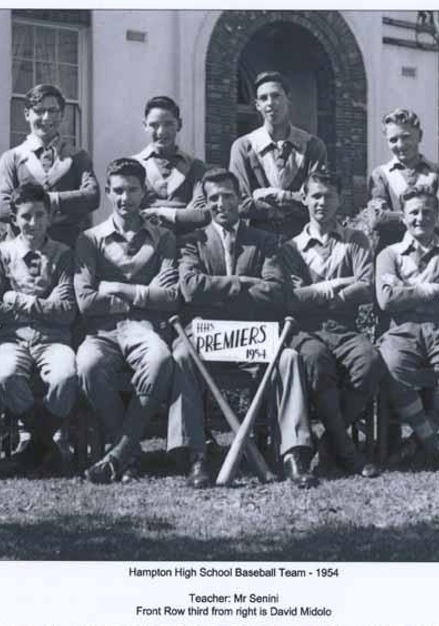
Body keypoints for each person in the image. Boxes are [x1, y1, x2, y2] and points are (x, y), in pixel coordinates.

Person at [168, 168, 317, 489]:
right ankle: (196, 455)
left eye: (228, 196)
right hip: (207, 336)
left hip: (254, 336)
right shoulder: (191, 242)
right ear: (206, 204)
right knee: (181, 355)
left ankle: (293, 453)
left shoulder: (266, 242)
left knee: (289, 358)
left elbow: (276, 291)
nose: (221, 204)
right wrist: (244, 284)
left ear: (240, 199)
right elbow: (191, 288)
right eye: (214, 198)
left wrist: (219, 292)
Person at [75, 158, 178, 484]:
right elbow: (86, 302)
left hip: (144, 329)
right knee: (88, 366)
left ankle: (117, 453)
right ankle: (128, 451)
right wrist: (144, 296)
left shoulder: (163, 238)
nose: (125, 198)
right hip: (101, 332)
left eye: (132, 189)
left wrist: (118, 288)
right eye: (118, 190)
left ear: (144, 191)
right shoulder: (89, 239)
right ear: (107, 193)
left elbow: (171, 296)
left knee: (160, 359)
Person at [281, 168, 384, 478]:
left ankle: (327, 443)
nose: (321, 203)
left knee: (370, 362)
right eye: (315, 196)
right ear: (304, 199)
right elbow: (294, 298)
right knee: (315, 359)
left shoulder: (356, 240)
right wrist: (340, 284)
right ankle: (349, 453)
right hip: (306, 330)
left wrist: (325, 294)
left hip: (345, 327)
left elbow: (367, 287)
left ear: (339, 200)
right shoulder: (291, 247)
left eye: (328, 196)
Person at [376, 185, 439, 475]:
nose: (420, 218)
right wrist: (432, 291)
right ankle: (436, 447)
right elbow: (387, 300)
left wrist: (408, 294)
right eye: (414, 212)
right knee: (390, 367)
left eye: (427, 212)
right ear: (404, 218)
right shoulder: (389, 254)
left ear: (436, 216)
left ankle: (418, 438)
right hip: (401, 331)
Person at [0, 182, 78, 474]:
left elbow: (65, 311)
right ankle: (46, 442)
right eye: (25, 216)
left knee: (66, 376)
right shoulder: (1, 254)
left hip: (54, 339)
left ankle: (34, 445)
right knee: (6, 375)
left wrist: (17, 300)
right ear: (14, 218)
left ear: (49, 217)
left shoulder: (63, 254)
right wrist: (41, 307)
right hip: (12, 339)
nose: (33, 223)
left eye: (40, 215)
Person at [0, 83, 101, 248]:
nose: (46, 118)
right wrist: (65, 212)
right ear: (27, 114)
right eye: (39, 111)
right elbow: (1, 209)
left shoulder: (78, 157)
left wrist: (50, 201)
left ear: (62, 114)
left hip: (68, 252)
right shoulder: (12, 158)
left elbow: (92, 197)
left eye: (53, 111)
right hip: (22, 254)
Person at [229, 71, 327, 242]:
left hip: (302, 241)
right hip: (256, 242)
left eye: (276, 96)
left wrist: (276, 195)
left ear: (288, 99)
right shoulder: (243, 147)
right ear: (257, 105)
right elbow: (239, 203)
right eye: (263, 98)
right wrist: (278, 210)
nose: (270, 103)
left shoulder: (312, 146)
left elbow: (317, 199)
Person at [366, 108, 439, 257]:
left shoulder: (438, 173)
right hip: (392, 255)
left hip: (433, 254)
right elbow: (378, 220)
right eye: (393, 140)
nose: (400, 145)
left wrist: (396, 217)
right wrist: (425, 218)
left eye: (406, 137)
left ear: (419, 136)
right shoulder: (381, 175)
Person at [132, 95, 210, 236]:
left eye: (168, 124)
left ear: (179, 124)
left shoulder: (196, 167)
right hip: (143, 244)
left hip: (186, 247)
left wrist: (157, 211)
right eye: (154, 125)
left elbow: (202, 215)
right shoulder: (133, 166)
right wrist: (183, 212)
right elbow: (129, 214)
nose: (161, 132)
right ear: (145, 125)